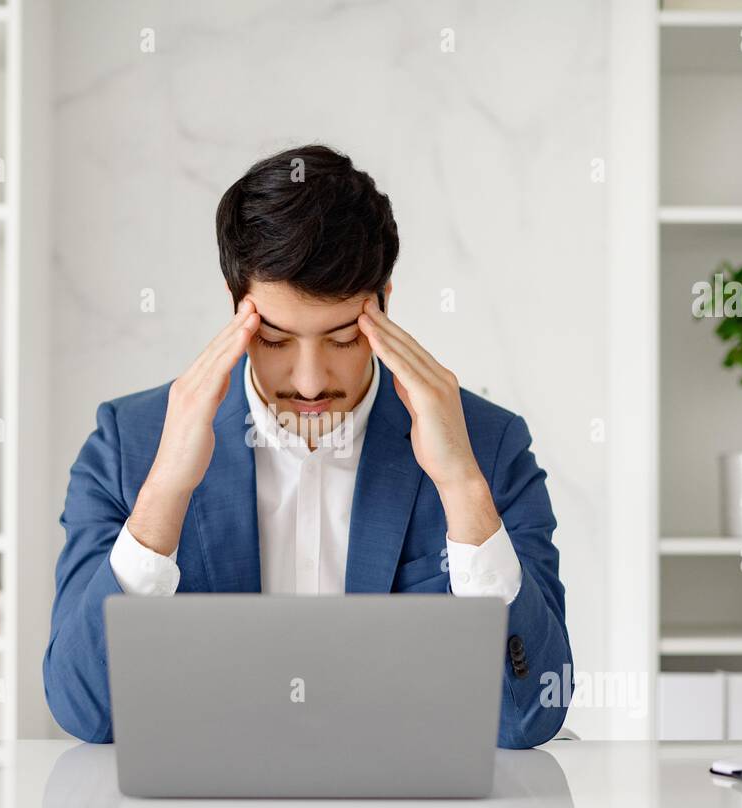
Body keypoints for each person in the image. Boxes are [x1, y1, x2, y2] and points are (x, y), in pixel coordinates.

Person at [45, 144, 572, 748]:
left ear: (386, 304)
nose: (311, 381)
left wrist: (463, 491)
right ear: (234, 307)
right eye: (274, 338)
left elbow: (532, 714)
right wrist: (164, 492)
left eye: (345, 337)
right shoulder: (127, 445)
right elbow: (84, 710)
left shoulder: (490, 445)